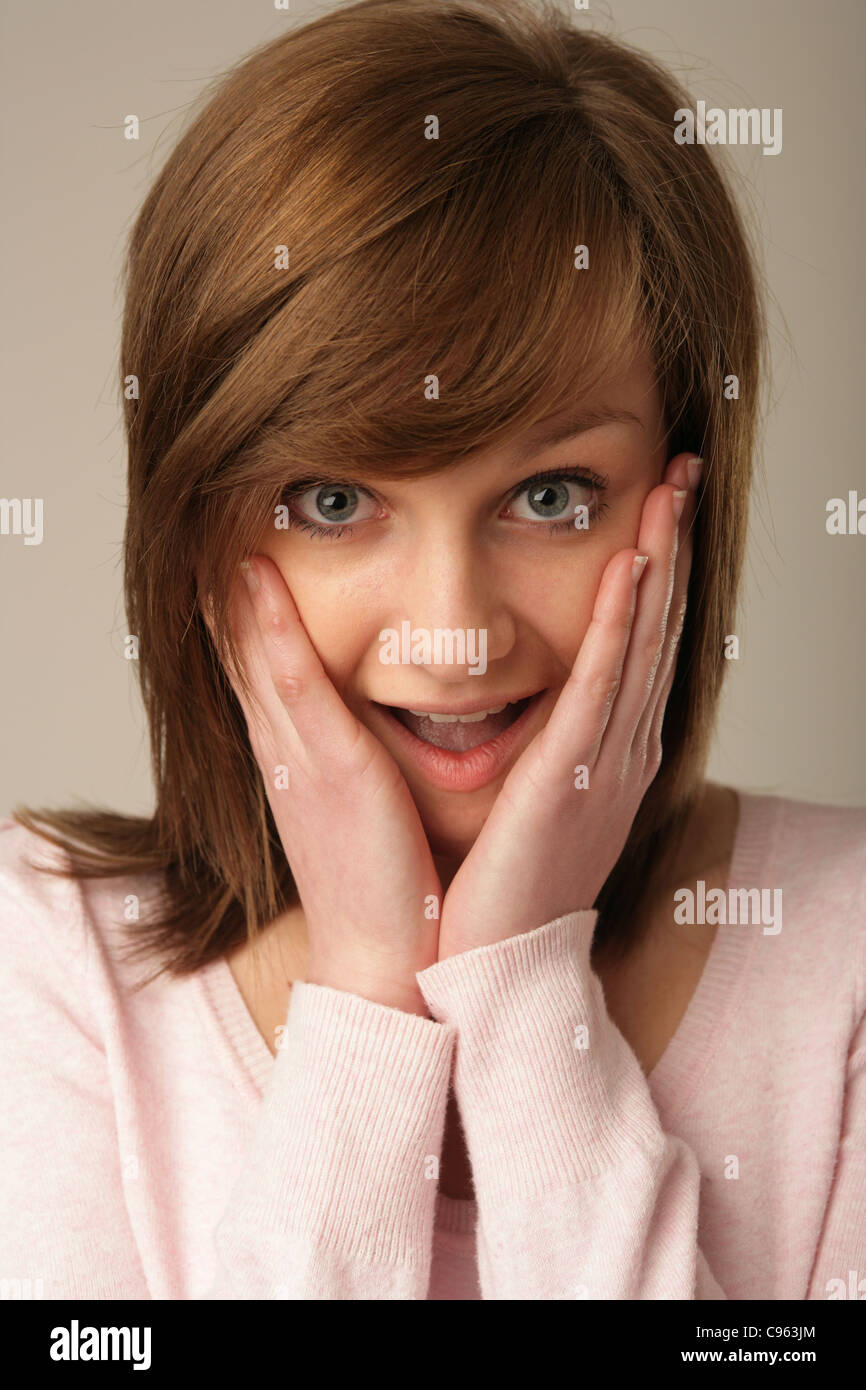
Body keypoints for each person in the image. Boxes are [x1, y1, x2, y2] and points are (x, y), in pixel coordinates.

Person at [1, 0, 863, 1301]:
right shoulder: (50, 965)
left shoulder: (844, 957)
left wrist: (522, 995)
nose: (453, 629)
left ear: (682, 501)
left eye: (552, 494)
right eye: (334, 502)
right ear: (191, 535)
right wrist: (363, 993)